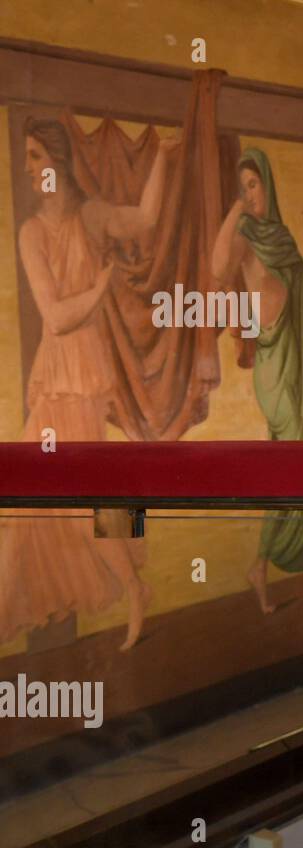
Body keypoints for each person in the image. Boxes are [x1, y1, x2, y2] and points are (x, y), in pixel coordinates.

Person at [0, 118, 175, 652]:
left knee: (76, 507)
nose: (30, 169)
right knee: (24, 502)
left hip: (84, 379)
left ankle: (134, 585)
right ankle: (134, 583)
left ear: (55, 159)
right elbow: (55, 317)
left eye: (34, 157)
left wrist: (163, 156)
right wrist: (102, 285)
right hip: (57, 377)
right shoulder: (31, 233)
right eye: (26, 160)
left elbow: (144, 218)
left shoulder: (92, 216)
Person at [212, 147, 303, 612]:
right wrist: (233, 210)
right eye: (243, 186)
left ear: (268, 185)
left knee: (297, 472)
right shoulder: (248, 235)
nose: (249, 193)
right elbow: (215, 270)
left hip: (295, 363)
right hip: (274, 370)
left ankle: (272, 567)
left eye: (254, 185)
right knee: (301, 468)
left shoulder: (282, 237)